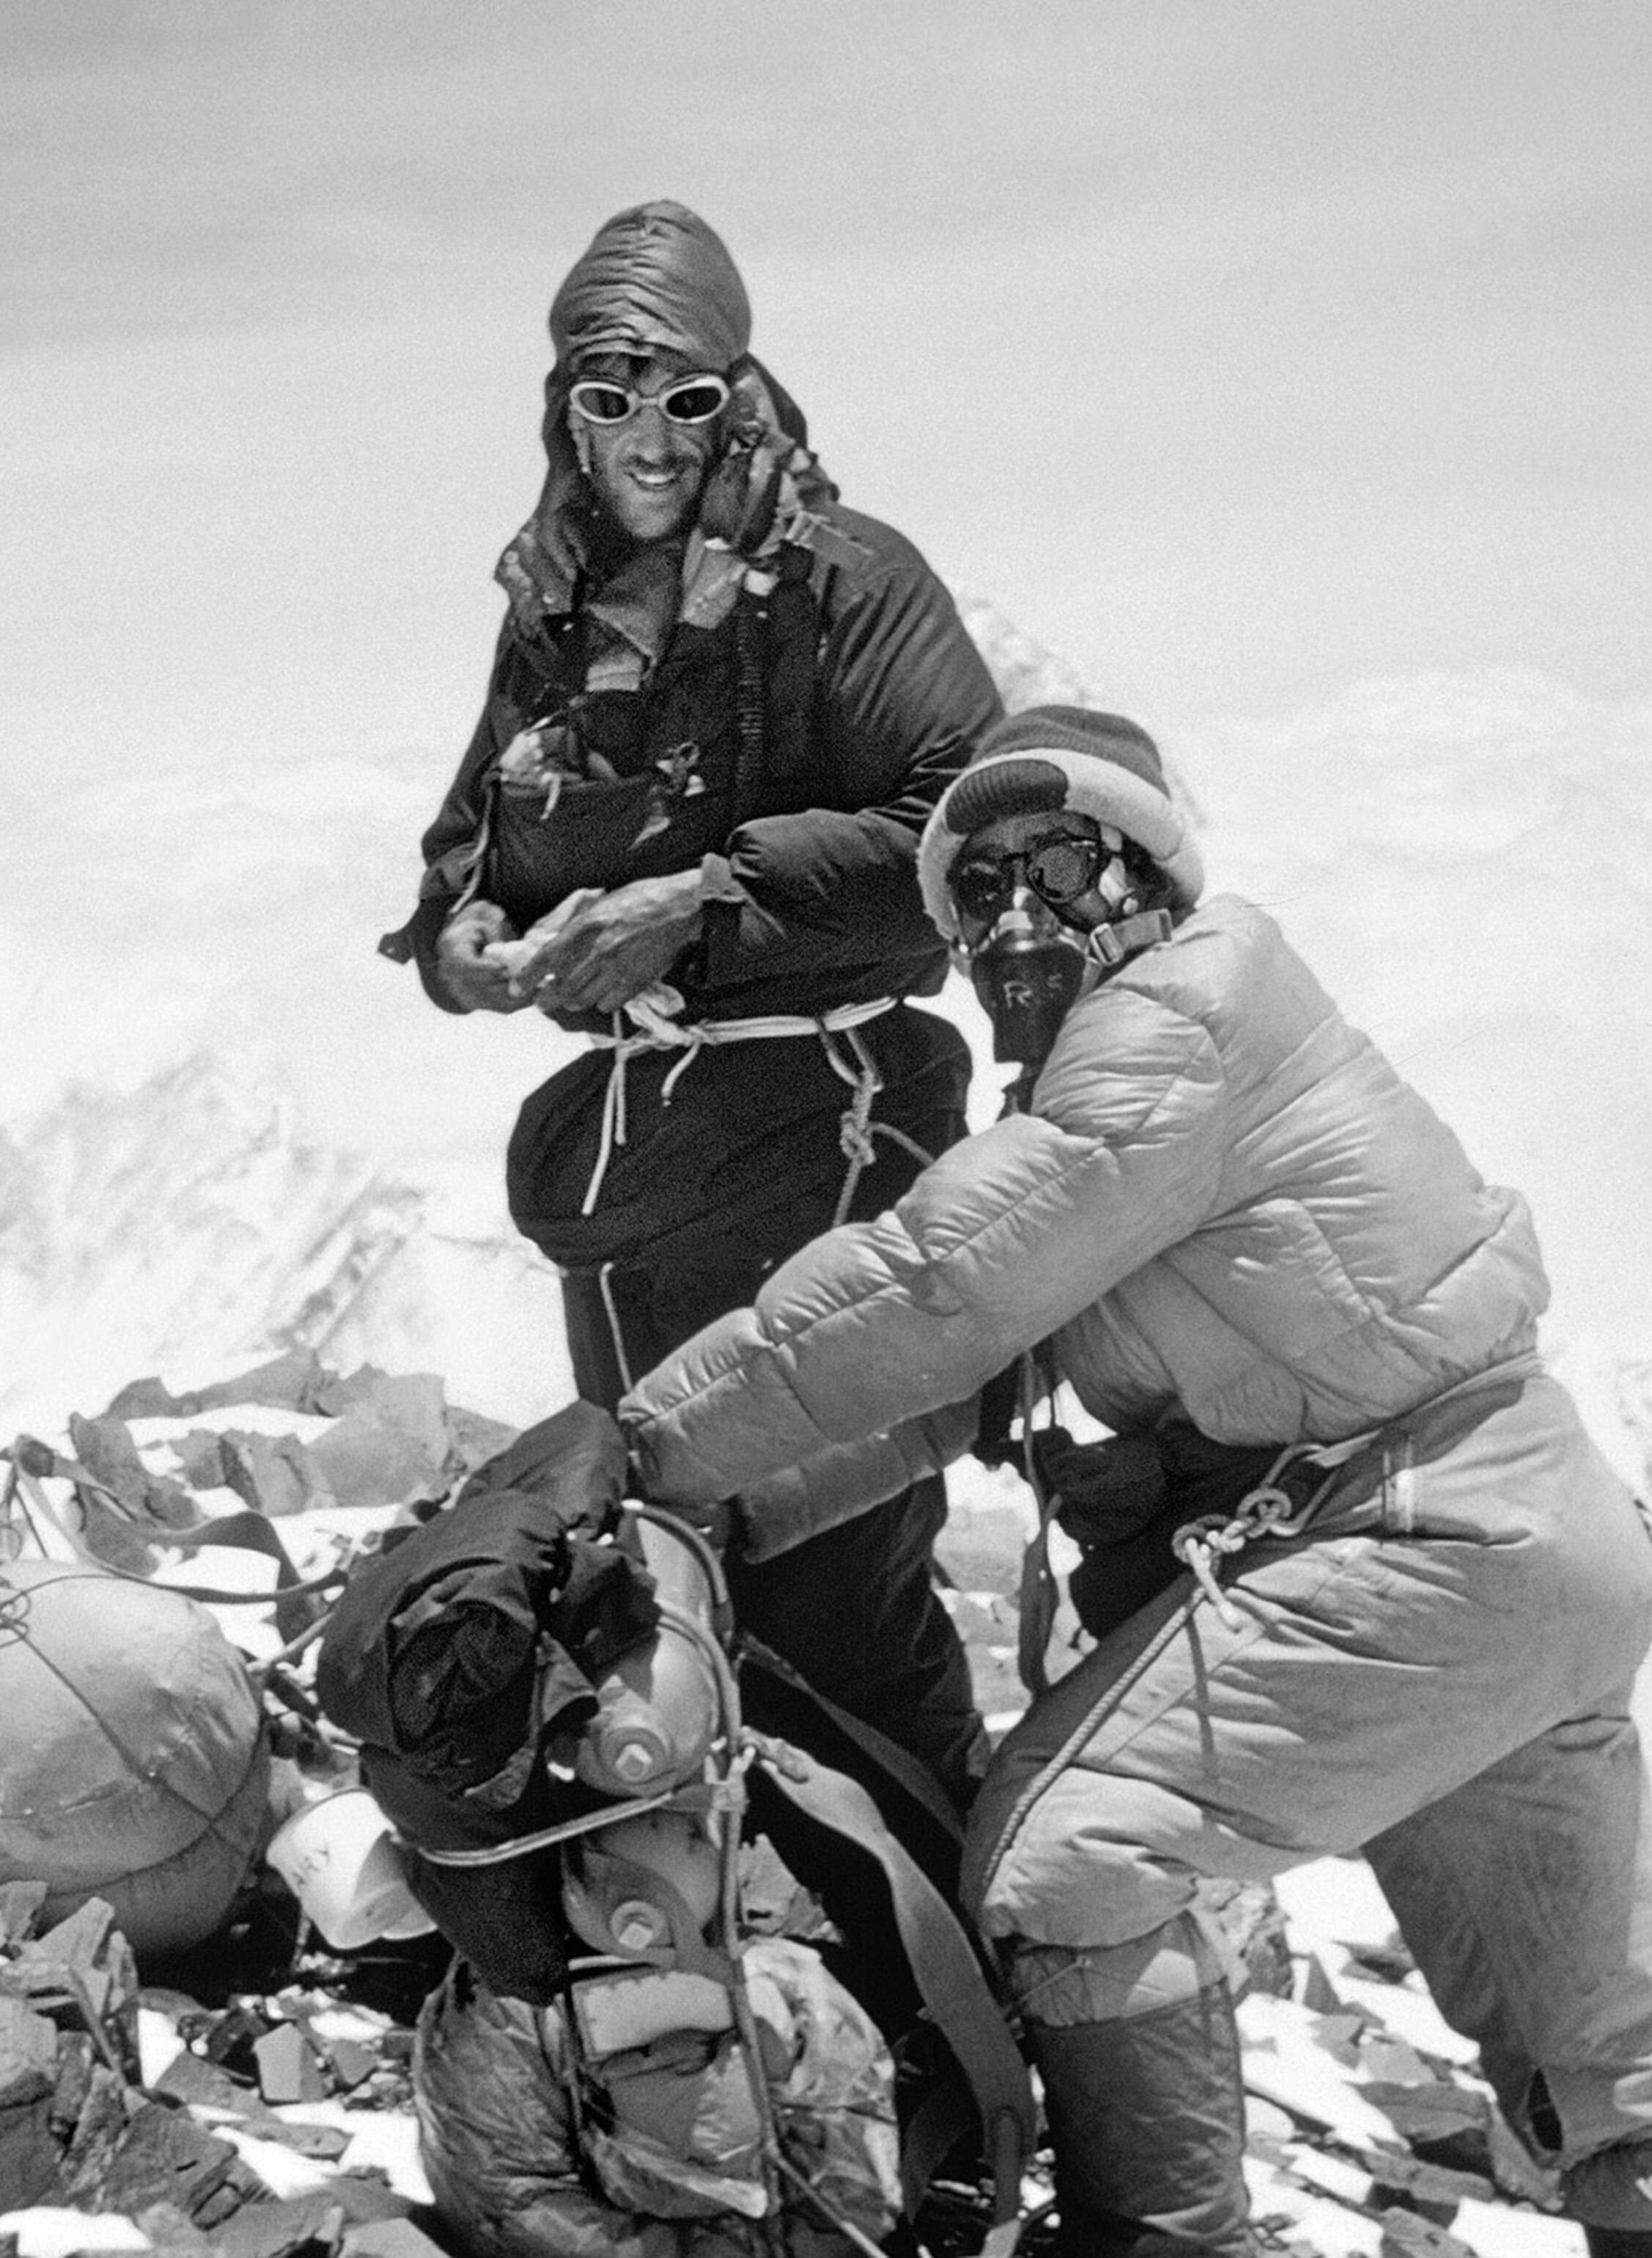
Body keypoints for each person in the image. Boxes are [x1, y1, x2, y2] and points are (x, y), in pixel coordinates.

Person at [619, 704, 1652, 2256]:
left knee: (1067, 1861)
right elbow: (960, 1382)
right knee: (1606, 2077)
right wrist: (712, 1505)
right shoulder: (1137, 1082)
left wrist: (630, 1447)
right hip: (1528, 1549)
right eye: (980, 890)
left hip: (1426, 1543)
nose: (1021, 915)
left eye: (1063, 865)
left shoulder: (1174, 1028)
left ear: (1153, 876)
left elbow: (928, 1291)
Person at [383, 200, 1002, 1807]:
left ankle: (954, 1996)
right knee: (659, 1560)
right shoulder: (554, 606)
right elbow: (470, 848)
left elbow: (965, 820)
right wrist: (465, 947)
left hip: (834, 1139)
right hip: (641, 1173)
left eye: (686, 399)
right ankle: (767, 1981)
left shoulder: (850, 584)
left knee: (834, 1581)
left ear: (745, 392)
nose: (649, 440)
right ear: (562, 415)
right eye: (609, 400)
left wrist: (702, 900)